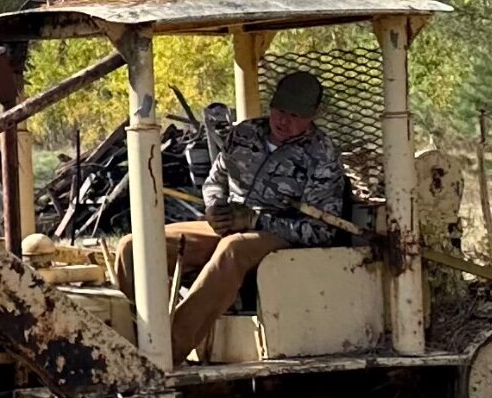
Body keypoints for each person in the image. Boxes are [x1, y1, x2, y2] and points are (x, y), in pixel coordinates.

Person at [115, 71, 346, 366]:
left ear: (313, 115)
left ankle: (164, 353)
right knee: (134, 246)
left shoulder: (322, 156)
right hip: (229, 224)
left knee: (233, 249)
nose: (283, 121)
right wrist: (215, 207)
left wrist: (255, 221)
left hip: (280, 235)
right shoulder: (245, 133)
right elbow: (215, 180)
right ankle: (128, 342)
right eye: (279, 110)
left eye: (295, 116)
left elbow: (322, 231)